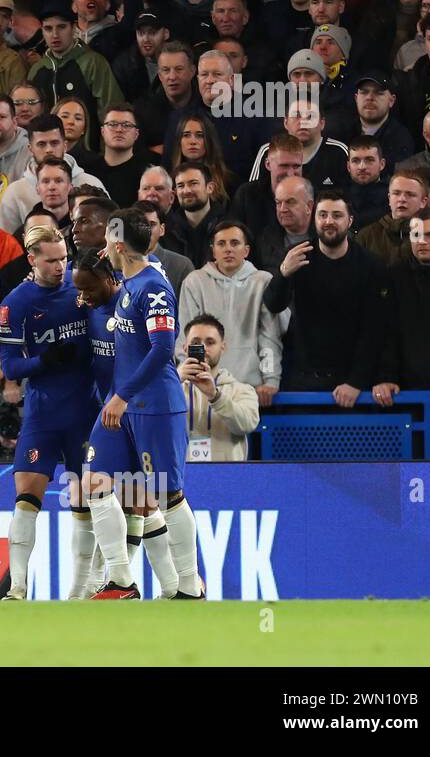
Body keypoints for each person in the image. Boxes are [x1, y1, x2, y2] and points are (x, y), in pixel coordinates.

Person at [83, 207, 201, 600]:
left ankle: (188, 587)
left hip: (154, 405)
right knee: (94, 482)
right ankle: (121, 579)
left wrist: (121, 396)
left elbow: (163, 348)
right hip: (125, 408)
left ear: (117, 244)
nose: (102, 249)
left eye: (106, 242)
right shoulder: (130, 280)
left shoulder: (153, 287)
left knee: (167, 495)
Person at [0, 225, 96, 600]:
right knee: (26, 496)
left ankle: (79, 592)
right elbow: (9, 367)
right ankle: (18, 587)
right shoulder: (17, 303)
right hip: (43, 414)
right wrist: (44, 360)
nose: (59, 267)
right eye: (51, 260)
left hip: (86, 411)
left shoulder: (83, 290)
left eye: (64, 259)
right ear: (31, 260)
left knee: (86, 503)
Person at [264, 190, 383, 402]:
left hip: (352, 384)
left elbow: (373, 330)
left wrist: (356, 381)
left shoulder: (369, 264)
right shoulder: (297, 256)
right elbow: (273, 304)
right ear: (314, 219)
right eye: (323, 215)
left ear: (350, 220)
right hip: (304, 380)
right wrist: (283, 272)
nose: (329, 221)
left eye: (337, 215)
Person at [178, 220, 282, 407]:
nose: (228, 249)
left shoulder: (263, 281)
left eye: (235, 243)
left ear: (246, 251)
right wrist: (189, 376)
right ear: (213, 251)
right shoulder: (194, 282)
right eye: (221, 244)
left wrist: (271, 379)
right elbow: (185, 338)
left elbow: (269, 336)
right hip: (204, 383)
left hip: (250, 387)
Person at [373, 208, 430, 408]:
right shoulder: (394, 276)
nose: (422, 241)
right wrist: (386, 377)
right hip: (403, 394)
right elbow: (387, 332)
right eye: (416, 235)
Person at [176, 314, 261, 462]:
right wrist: (174, 382)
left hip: (226, 478)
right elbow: (146, 420)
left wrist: (215, 396)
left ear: (223, 347)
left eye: (210, 342)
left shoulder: (243, 390)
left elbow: (247, 425)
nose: (203, 348)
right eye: (196, 342)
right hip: (180, 477)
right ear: (185, 348)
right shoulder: (170, 388)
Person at [27, 7, 124, 124]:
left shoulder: (93, 63)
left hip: (87, 141)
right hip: (47, 141)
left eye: (61, 27)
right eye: (48, 28)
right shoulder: (37, 69)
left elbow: (111, 111)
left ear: (73, 29)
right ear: (42, 31)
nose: (55, 34)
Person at [165, 161, 227, 267]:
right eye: (181, 186)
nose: (186, 190)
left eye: (193, 183)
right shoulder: (166, 230)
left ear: (210, 188)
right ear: (175, 192)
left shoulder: (227, 226)